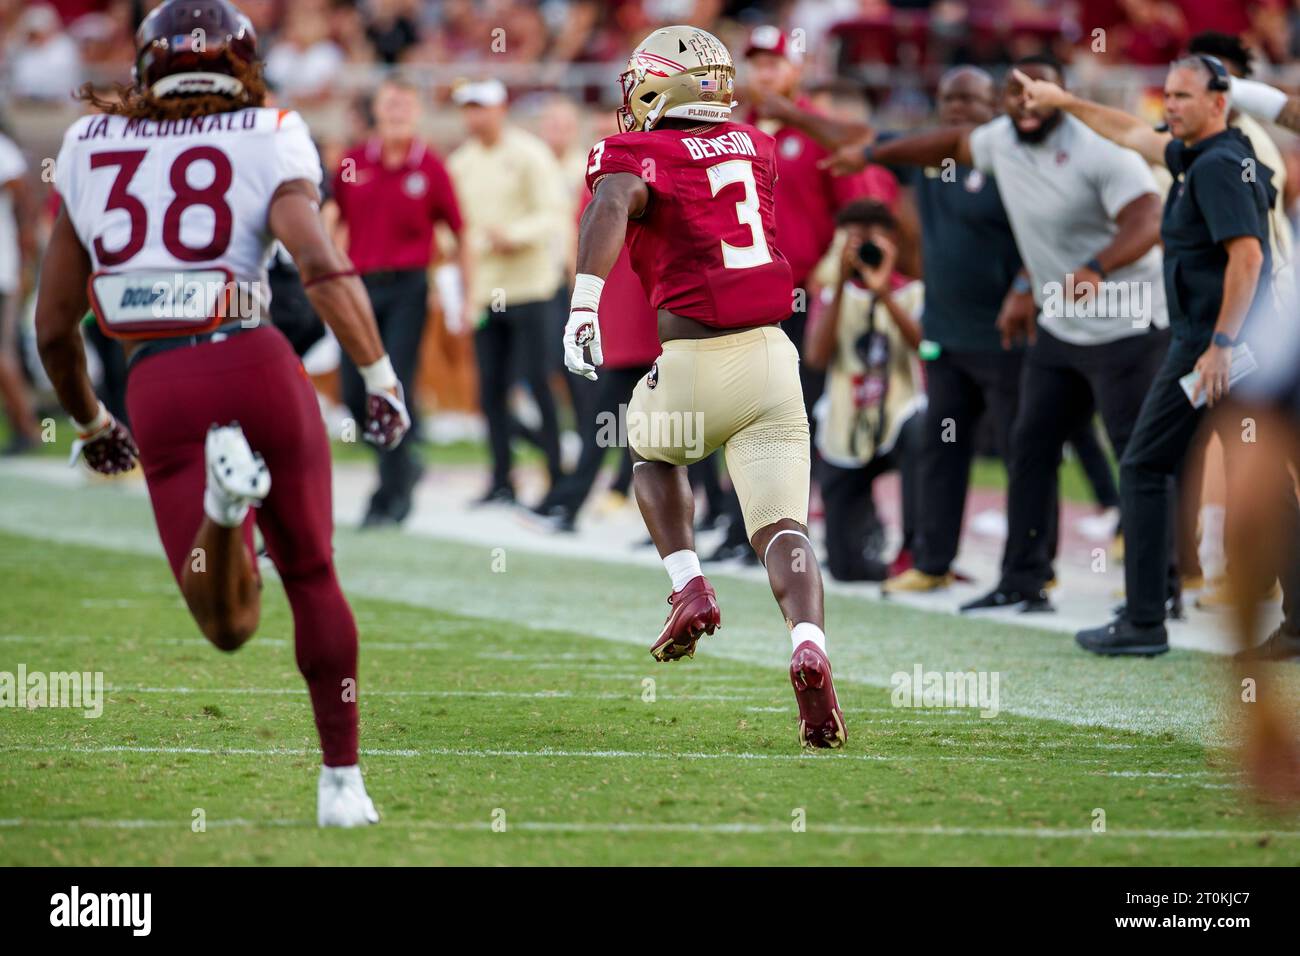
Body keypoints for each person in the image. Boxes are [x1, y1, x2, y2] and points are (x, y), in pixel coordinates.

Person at [35, 0, 409, 825]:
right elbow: (318, 262)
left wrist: (94, 425)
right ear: (243, 67)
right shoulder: (270, 130)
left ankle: (221, 506)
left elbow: (54, 328)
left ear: (145, 68)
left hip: (159, 380)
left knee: (229, 626)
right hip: (256, 359)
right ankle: (342, 784)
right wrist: (378, 376)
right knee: (312, 574)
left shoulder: (87, 145)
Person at [564, 26, 845, 748]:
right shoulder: (757, 145)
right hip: (775, 361)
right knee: (783, 526)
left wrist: (584, 302)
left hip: (693, 359)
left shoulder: (633, 153)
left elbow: (612, 202)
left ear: (660, 88)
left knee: (652, 457)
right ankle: (807, 643)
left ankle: (689, 583)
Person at [827, 55, 1170, 615]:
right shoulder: (1000, 142)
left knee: (1138, 459)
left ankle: (1159, 592)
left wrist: (1095, 269)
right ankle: (1023, 579)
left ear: (1063, 96)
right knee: (1031, 448)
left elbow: (1147, 217)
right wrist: (869, 154)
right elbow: (943, 145)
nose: (1026, 100)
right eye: (1017, 90)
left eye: (1039, 90)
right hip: (1058, 324)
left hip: (1126, 321)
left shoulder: (1102, 149)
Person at [1014, 58, 1292, 654]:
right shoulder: (1210, 153)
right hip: (1235, 343)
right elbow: (1131, 133)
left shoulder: (1216, 167)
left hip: (1210, 344)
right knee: (1263, 481)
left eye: (1183, 97)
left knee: (1142, 465)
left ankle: (1143, 620)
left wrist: (1218, 346)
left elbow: (1246, 259)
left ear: (1219, 101)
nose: (1169, 106)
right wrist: (1063, 101)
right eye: (1165, 95)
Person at [331, 76, 470, 527]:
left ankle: (390, 493)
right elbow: (334, 223)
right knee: (353, 391)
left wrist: (464, 296)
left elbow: (459, 231)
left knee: (392, 384)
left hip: (409, 286)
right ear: (378, 110)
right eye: (389, 105)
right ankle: (403, 466)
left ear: (417, 113)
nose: (396, 114)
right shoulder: (352, 163)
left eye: (404, 107)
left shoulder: (429, 166)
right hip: (357, 287)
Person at [448, 79, 568, 505]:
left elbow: (553, 214)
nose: (475, 116)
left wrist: (513, 235)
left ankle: (556, 475)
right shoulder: (461, 163)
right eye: (469, 108)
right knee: (491, 391)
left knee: (537, 382)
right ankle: (502, 477)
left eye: (482, 107)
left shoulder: (529, 154)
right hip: (485, 291)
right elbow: (454, 230)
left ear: (501, 109)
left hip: (530, 288)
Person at [804, 201, 924, 582]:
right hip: (846, 420)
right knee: (844, 567)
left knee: (926, 432)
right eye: (853, 239)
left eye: (873, 237)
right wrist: (840, 284)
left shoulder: (912, 292)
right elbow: (817, 358)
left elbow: (927, 347)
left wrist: (884, 291)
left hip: (898, 414)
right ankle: (868, 540)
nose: (864, 248)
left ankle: (916, 551)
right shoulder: (829, 294)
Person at [0, 124, 38, 454]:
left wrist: (26, 248)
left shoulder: (3, 149)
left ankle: (27, 428)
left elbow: (22, 195)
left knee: (2, 353)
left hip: (1, 269)